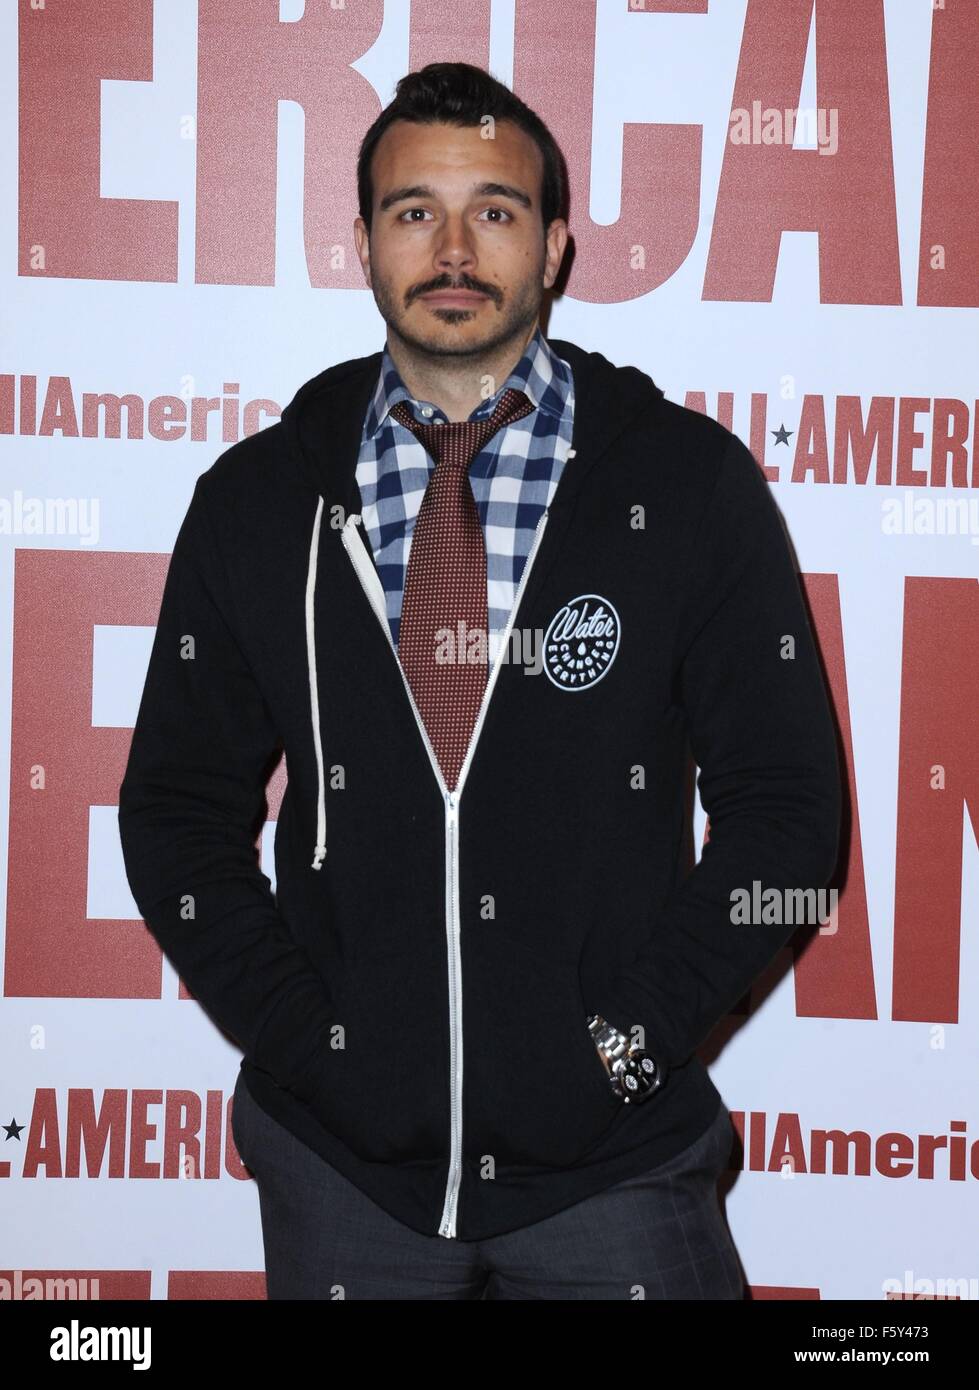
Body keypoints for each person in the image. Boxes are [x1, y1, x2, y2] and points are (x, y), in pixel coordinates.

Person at [118, 61, 840, 1300]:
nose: (453, 247)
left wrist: (627, 1046)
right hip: (342, 1179)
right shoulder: (256, 502)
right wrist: (313, 1045)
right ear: (360, 241)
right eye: (414, 211)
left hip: (614, 1172)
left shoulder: (687, 488)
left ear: (555, 246)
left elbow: (790, 821)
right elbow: (174, 816)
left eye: (495, 211)